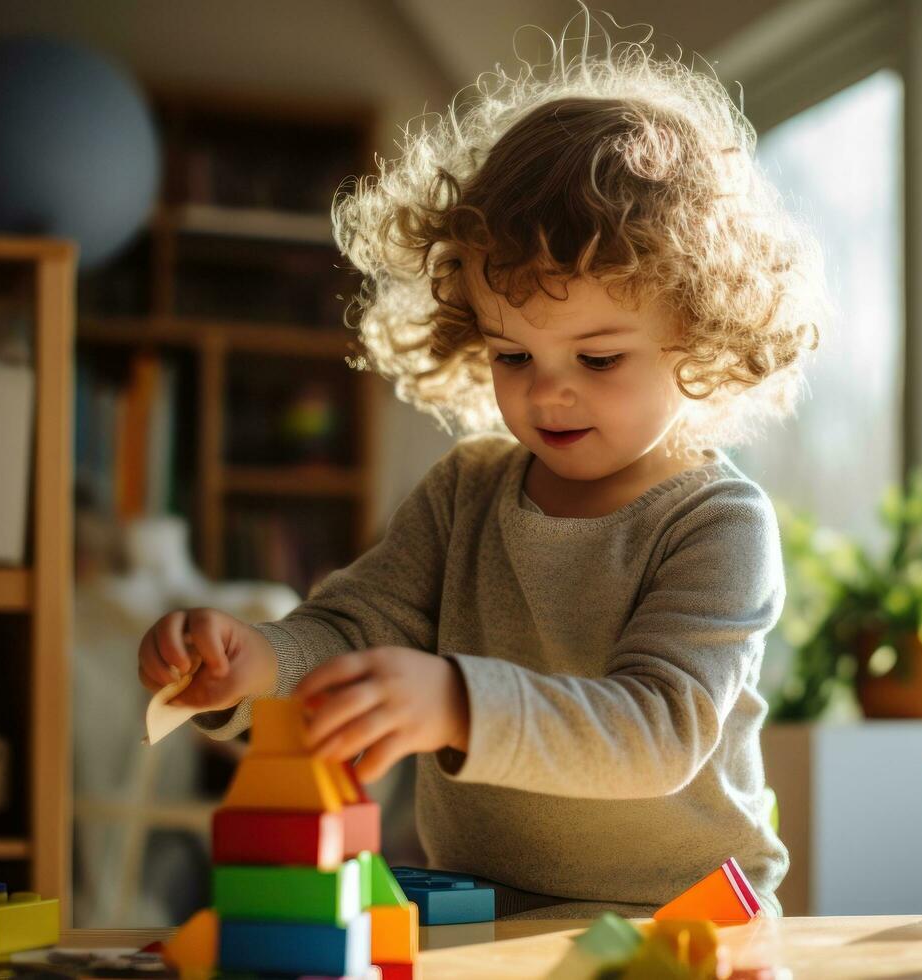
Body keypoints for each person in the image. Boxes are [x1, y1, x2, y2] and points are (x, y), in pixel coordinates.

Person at [136, 13, 825, 918]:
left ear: (696, 332)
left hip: (681, 916)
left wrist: (460, 702)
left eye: (599, 358)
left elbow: (658, 732)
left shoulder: (716, 522)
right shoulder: (467, 491)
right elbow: (357, 630)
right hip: (479, 907)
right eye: (512, 357)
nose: (548, 396)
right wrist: (256, 661)